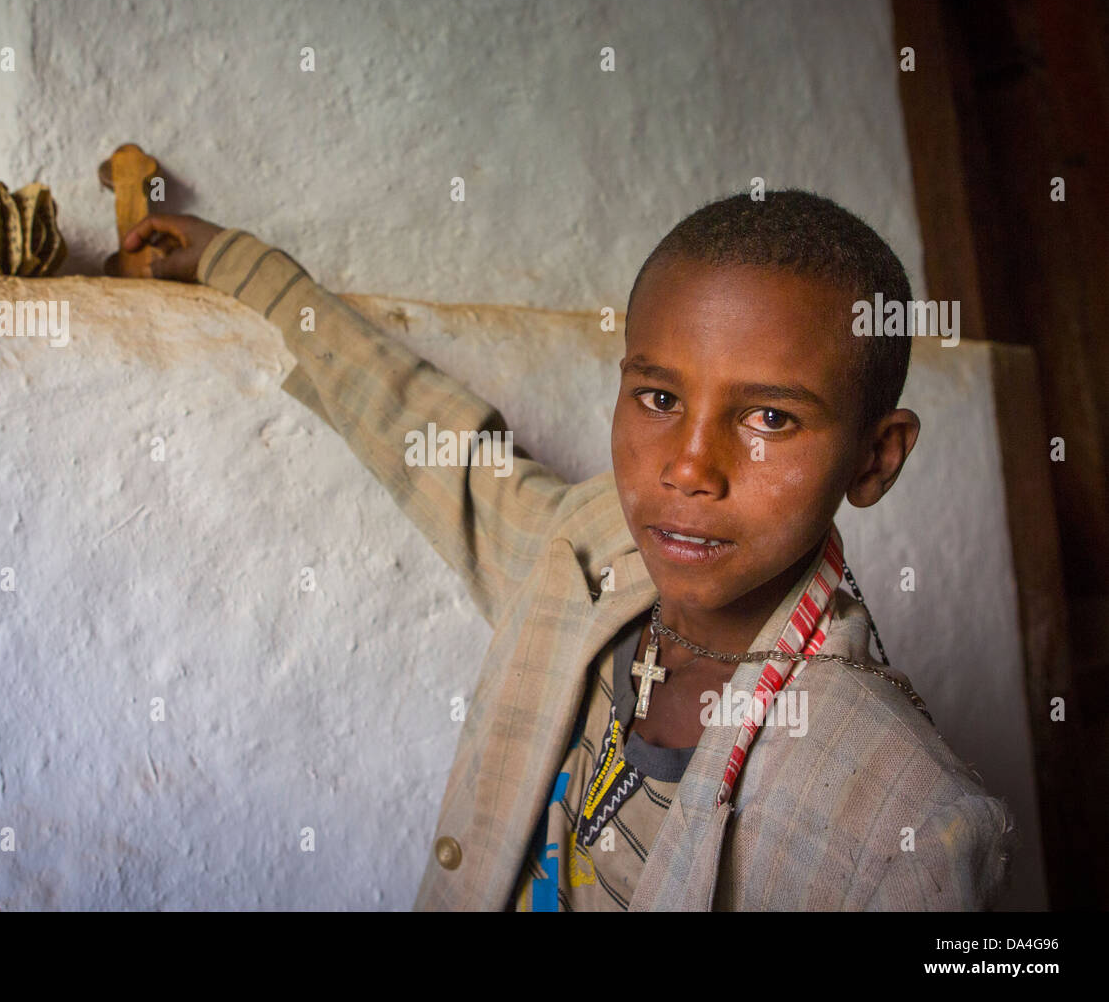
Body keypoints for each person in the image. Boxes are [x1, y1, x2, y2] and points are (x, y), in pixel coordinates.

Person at [117, 189, 1016, 910]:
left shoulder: (905, 823)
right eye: (659, 398)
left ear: (876, 456)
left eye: (769, 417)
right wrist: (239, 263)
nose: (689, 468)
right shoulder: (586, 562)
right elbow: (430, 438)